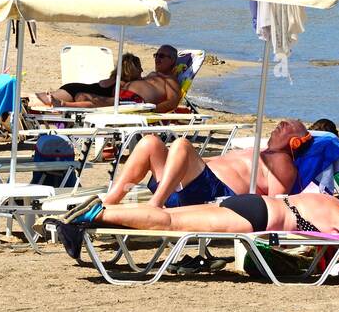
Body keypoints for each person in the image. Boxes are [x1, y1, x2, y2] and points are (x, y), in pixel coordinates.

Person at [53, 191, 339, 261]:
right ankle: (96, 215)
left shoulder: (326, 198)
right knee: (171, 222)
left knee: (171, 217)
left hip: (248, 203)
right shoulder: (338, 216)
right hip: (255, 217)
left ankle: (101, 211)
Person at [98, 119, 306, 208]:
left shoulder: (284, 164)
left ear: (295, 142)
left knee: (182, 145)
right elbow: (210, 162)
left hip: (215, 196)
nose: (279, 125)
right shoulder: (256, 151)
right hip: (186, 185)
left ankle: (155, 205)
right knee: (149, 143)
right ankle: (108, 203)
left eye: (287, 127)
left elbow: (274, 205)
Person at [41, 45, 183, 113]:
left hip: (137, 101)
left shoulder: (171, 81)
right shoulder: (152, 75)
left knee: (99, 102)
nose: (157, 58)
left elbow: (172, 102)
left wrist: (151, 109)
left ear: (172, 60)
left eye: (162, 56)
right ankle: (63, 105)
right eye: (156, 55)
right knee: (81, 96)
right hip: (125, 95)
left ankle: (63, 105)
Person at [37, 53, 142, 107]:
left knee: (41, 98)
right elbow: (114, 102)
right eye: (139, 67)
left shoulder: (113, 79)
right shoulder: (121, 84)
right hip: (76, 93)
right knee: (45, 100)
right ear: (132, 69)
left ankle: (24, 100)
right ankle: (24, 102)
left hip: (74, 88)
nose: (142, 70)